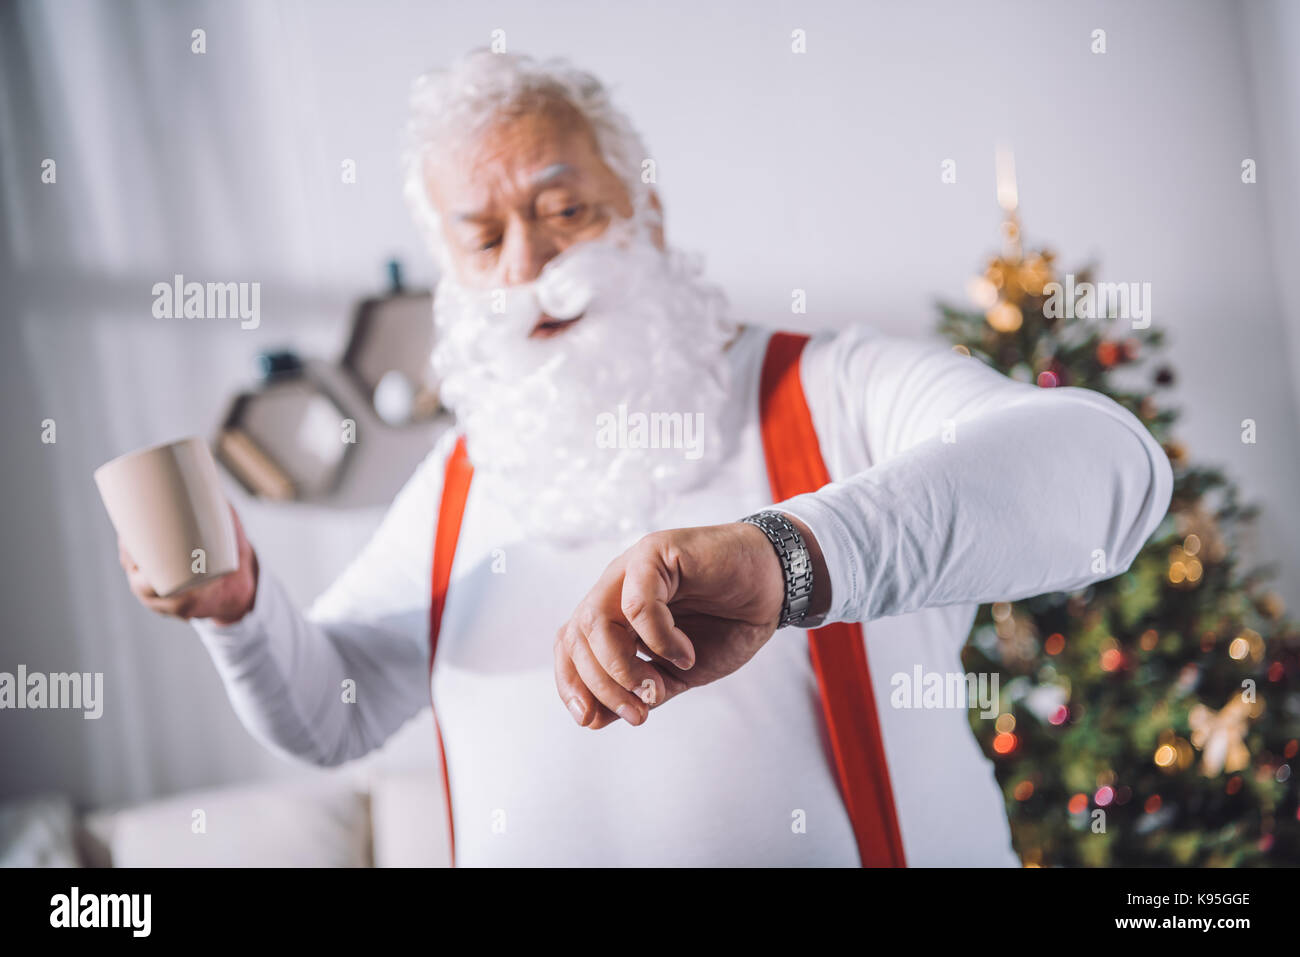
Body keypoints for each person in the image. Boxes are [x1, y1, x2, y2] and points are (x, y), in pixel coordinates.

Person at [118, 49, 1173, 866]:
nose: (529, 265)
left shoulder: (828, 389)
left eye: (562, 209)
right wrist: (243, 614)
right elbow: (327, 714)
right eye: (483, 239)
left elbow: (1108, 472)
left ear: (647, 208)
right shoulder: (459, 474)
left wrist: (783, 558)